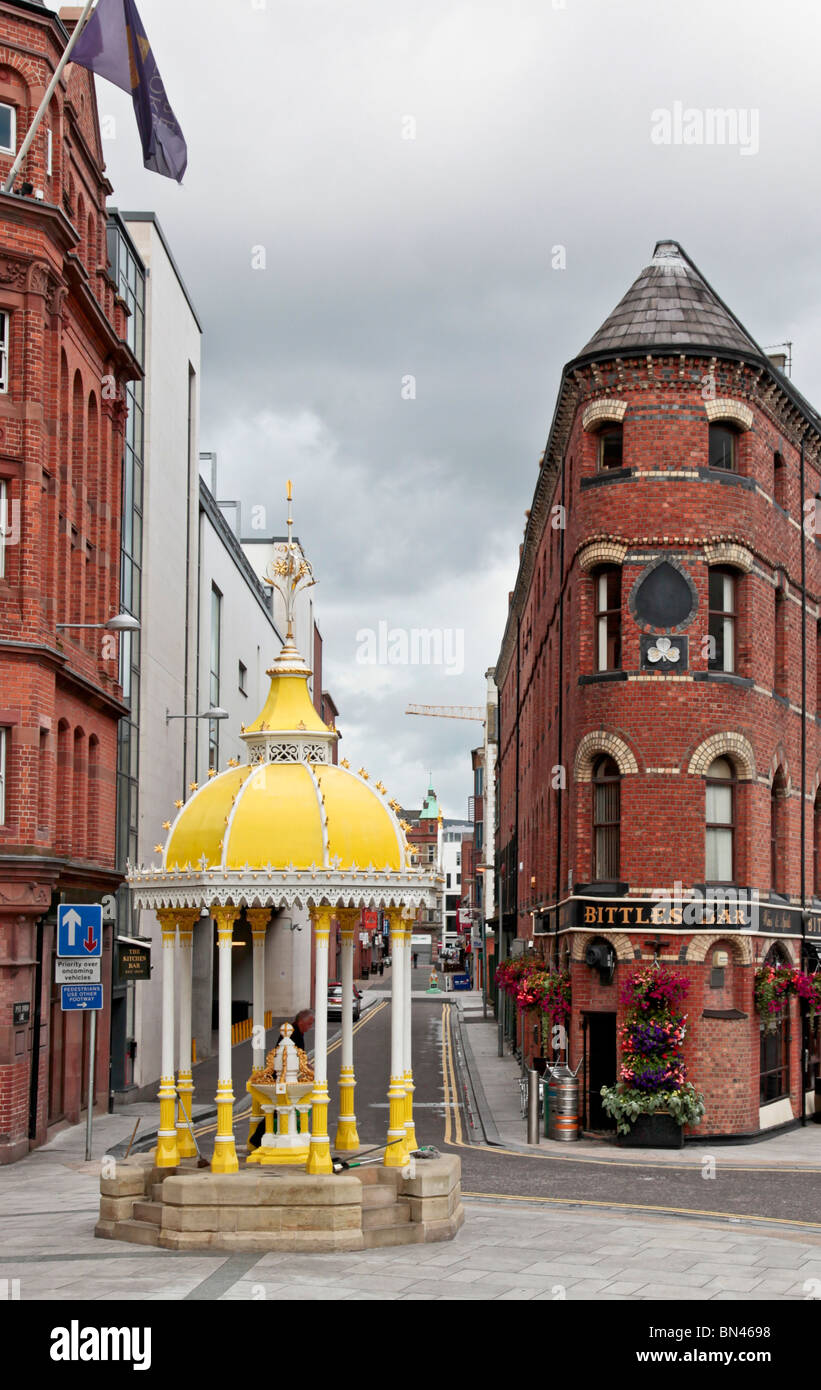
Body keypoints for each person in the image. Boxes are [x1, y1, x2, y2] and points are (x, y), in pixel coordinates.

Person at [248, 1008, 314, 1150]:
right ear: (300, 1021)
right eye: (309, 1024)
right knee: (278, 1108)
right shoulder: (294, 1033)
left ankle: (259, 1139)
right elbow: (295, 1055)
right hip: (281, 1075)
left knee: (278, 1109)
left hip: (285, 1075)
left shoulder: (297, 1032)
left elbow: (299, 1056)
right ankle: (259, 1139)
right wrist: (310, 1068)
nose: (310, 1027)